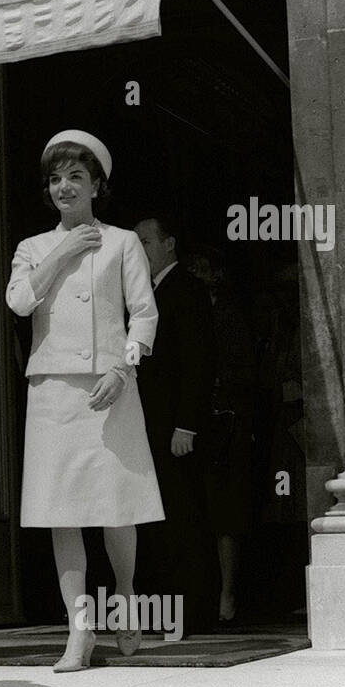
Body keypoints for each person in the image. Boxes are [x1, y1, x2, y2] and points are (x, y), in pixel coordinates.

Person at [7, 132, 162, 671]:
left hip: (109, 386)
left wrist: (125, 365)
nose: (64, 187)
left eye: (76, 176)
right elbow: (21, 302)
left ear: (98, 185)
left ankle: (124, 597)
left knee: (116, 505)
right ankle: (79, 632)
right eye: (55, 179)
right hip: (53, 392)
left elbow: (143, 313)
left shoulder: (123, 243)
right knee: (61, 513)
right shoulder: (32, 248)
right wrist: (64, 250)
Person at [133, 215, 216, 637]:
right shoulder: (142, 293)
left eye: (146, 241)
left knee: (184, 518)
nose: (139, 249)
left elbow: (197, 363)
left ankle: (194, 613)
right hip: (147, 428)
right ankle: (164, 610)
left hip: (175, 429)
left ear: (169, 243)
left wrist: (187, 424)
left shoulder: (187, 289)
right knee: (158, 520)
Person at [185, 246, 255, 624]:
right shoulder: (190, 310)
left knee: (225, 512)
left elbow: (241, 370)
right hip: (198, 421)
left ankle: (227, 593)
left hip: (224, 421)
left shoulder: (225, 314)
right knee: (202, 511)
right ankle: (206, 595)